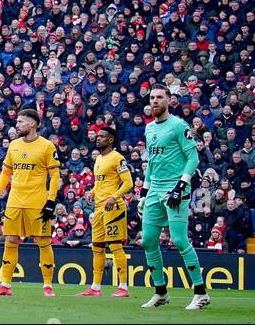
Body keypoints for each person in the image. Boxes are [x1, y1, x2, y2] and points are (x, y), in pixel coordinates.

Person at [140, 86, 210, 310]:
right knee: (149, 240)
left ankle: (201, 293)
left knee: (179, 240)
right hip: (154, 190)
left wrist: (181, 185)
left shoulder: (179, 125)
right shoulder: (149, 128)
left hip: (175, 189)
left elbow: (193, 158)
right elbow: (151, 162)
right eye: (152, 98)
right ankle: (160, 292)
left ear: (169, 100)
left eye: (160, 97)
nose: (155, 101)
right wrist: (144, 191)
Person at [0, 108, 60, 297]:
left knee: (43, 241)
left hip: (37, 202)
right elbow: (6, 172)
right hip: (14, 201)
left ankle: (47, 286)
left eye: (20, 122)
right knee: (10, 241)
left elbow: (54, 174)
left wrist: (51, 200)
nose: (16, 125)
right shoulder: (14, 145)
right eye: (17, 121)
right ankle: (5, 285)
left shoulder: (47, 146)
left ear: (33, 124)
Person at [77, 126, 132, 297]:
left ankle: (123, 287)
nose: (97, 138)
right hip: (99, 208)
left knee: (115, 246)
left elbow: (128, 183)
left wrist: (114, 197)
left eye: (102, 136)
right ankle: (95, 287)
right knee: (97, 248)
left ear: (110, 140)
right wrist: (92, 192)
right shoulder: (99, 158)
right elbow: (102, 182)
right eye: (97, 136)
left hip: (113, 207)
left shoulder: (118, 158)